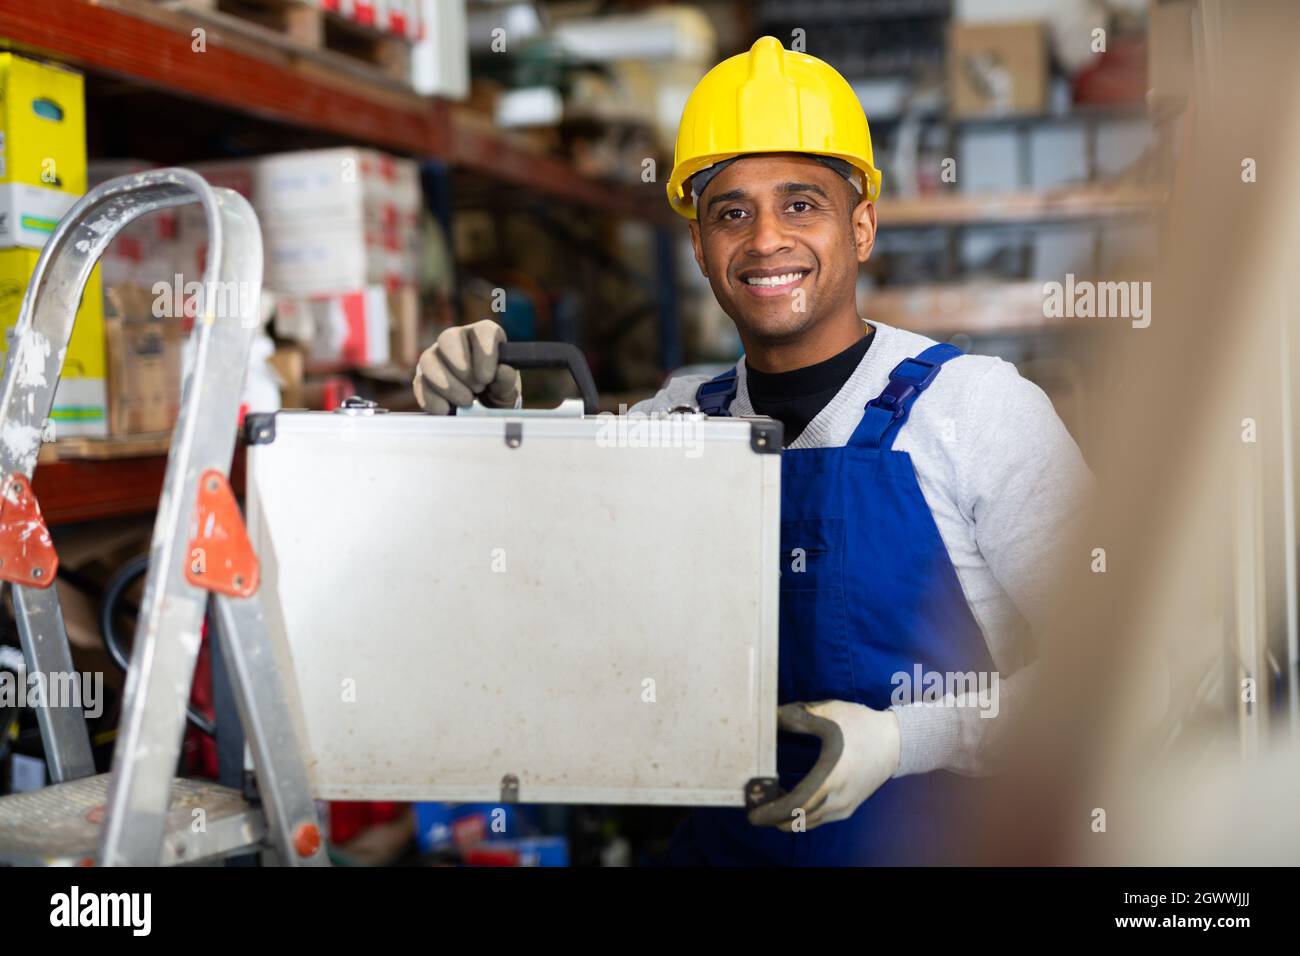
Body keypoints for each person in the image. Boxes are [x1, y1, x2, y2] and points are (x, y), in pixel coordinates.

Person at [412, 37, 1090, 865]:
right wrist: (492, 431)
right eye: (732, 212)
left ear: (862, 226)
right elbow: (536, 590)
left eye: (801, 204)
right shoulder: (678, 421)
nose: (766, 239)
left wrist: (900, 740)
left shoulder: (974, 410)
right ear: (699, 247)